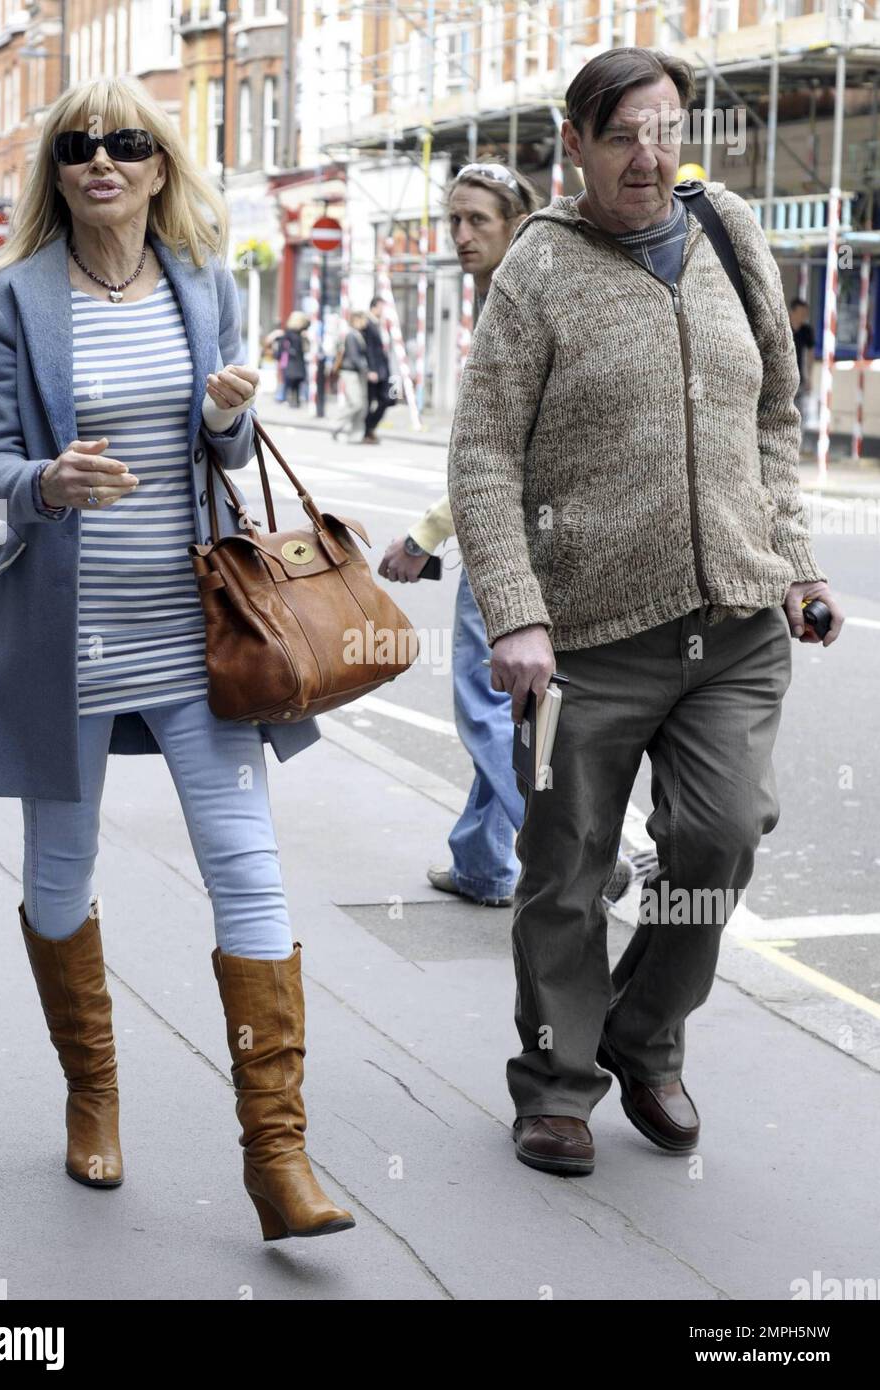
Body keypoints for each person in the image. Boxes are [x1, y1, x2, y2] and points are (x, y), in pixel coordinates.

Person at [0, 74, 353, 1242]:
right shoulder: (7, 299)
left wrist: (229, 412)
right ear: (58, 171)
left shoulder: (206, 284)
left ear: (161, 165)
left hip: (199, 639)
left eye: (127, 142)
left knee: (250, 872)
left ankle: (276, 1155)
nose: (102, 160)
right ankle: (93, 1094)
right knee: (61, 875)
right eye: (79, 144)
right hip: (64, 645)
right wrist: (45, 480)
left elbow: (222, 448)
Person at [448, 46, 843, 1178]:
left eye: (667, 129)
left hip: (734, 620)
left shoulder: (726, 231)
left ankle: (643, 1030)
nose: (649, 154)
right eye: (622, 133)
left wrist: (797, 560)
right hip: (586, 636)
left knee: (716, 841)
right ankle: (557, 1087)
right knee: (565, 866)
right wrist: (514, 612)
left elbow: (774, 409)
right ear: (573, 144)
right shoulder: (539, 269)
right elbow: (480, 455)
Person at [379, 162, 644, 910]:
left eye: (477, 221)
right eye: (453, 220)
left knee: (486, 706)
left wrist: (425, 535)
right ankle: (481, 860)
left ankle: (585, 851)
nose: (460, 235)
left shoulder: (518, 301)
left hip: (512, 544)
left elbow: (497, 452)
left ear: (515, 222)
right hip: (559, 536)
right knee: (518, 707)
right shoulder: (551, 285)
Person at [331, 310, 370, 443]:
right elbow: (354, 356)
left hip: (358, 373)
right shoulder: (351, 335)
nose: (366, 322)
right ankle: (337, 424)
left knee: (361, 404)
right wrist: (366, 370)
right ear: (356, 320)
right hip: (351, 372)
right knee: (356, 403)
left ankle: (356, 434)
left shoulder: (359, 334)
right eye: (363, 319)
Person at [362, 296, 391, 444]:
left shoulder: (380, 324)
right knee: (370, 402)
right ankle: (367, 431)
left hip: (382, 370)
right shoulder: (368, 324)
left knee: (387, 399)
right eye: (381, 307)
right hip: (375, 371)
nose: (383, 311)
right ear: (374, 307)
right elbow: (369, 349)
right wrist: (371, 369)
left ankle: (370, 429)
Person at [789, 297, 816, 455]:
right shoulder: (784, 326)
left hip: (800, 378)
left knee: (800, 412)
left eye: (805, 313)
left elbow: (811, 354)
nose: (803, 316)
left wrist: (810, 377)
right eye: (800, 312)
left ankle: (796, 444)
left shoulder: (806, 331)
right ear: (793, 312)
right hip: (784, 378)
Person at [276, 310, 309, 407]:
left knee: (293, 382)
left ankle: (292, 400)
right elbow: (283, 348)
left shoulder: (296, 333)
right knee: (291, 382)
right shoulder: (292, 334)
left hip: (293, 362)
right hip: (292, 362)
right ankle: (289, 399)